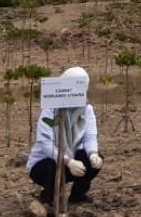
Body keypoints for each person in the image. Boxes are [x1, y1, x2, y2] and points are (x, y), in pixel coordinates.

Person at [26, 66, 103, 206]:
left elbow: (90, 136)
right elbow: (45, 143)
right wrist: (68, 161)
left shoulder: (86, 109)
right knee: (52, 166)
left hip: (72, 157)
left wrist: (93, 154)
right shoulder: (51, 110)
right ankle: (49, 196)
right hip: (45, 162)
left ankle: (78, 195)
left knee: (91, 160)